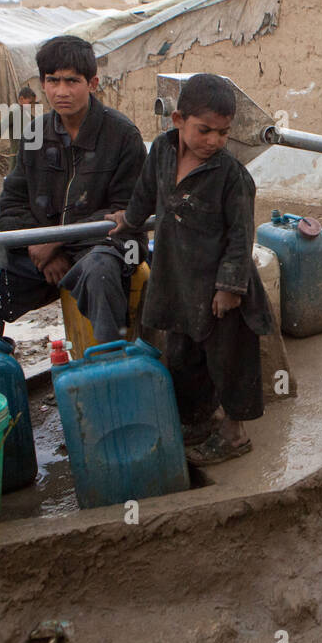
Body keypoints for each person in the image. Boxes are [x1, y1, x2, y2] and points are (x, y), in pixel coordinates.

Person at [108, 74, 274, 465]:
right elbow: (145, 193)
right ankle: (199, 422)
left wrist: (230, 288)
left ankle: (234, 433)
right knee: (184, 358)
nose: (214, 141)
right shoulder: (162, 154)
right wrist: (128, 220)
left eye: (223, 132)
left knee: (229, 360)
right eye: (205, 130)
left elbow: (240, 236)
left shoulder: (232, 177)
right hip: (179, 282)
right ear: (177, 120)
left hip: (221, 291)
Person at [0, 35, 145, 342]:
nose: (61, 92)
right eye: (53, 81)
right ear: (43, 83)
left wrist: (58, 241)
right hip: (40, 253)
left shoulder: (122, 135)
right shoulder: (35, 133)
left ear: (92, 83)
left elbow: (125, 213)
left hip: (96, 249)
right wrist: (40, 247)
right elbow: (12, 204)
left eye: (71, 81)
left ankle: (107, 362)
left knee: (100, 269)